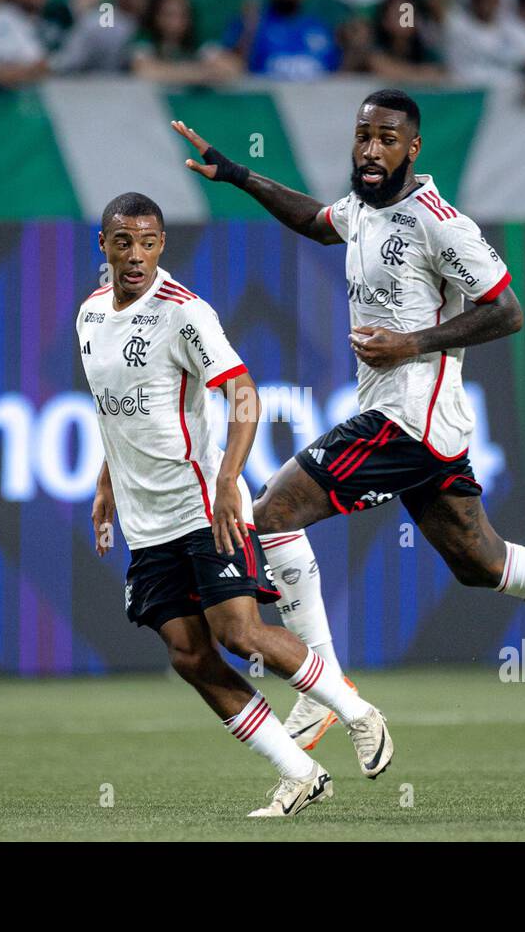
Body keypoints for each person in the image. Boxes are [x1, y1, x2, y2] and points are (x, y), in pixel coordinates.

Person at [170, 89, 525, 703]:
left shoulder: (440, 222)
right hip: (427, 428)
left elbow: (508, 312)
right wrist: (240, 175)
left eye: (386, 138)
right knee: (480, 562)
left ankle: (319, 691)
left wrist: (411, 343)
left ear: (413, 148)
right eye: (363, 136)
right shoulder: (360, 208)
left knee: (273, 511)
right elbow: (313, 220)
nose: (371, 149)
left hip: (405, 418)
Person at [79, 192, 394, 817]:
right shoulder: (89, 315)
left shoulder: (185, 313)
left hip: (204, 509)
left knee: (240, 633)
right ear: (105, 246)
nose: (135, 255)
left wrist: (229, 479)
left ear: (162, 244)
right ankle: (299, 772)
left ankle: (358, 712)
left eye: (147, 242)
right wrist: (106, 482)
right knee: (189, 655)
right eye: (123, 242)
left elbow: (244, 393)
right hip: (147, 526)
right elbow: (116, 413)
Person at [223, 0, 340, 80]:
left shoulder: (319, 28)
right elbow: (234, 64)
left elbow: (336, 71)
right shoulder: (254, 23)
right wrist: (248, 30)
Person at [130, 0, 243, 85]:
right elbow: (144, 71)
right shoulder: (144, 41)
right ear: (156, 16)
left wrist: (171, 72)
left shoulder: (199, 44)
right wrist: (201, 73)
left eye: (182, 15)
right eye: (169, 14)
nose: (175, 22)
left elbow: (232, 68)